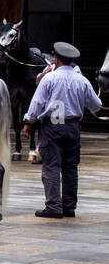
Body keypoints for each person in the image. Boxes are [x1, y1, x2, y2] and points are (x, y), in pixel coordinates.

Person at [22, 41, 102, 219]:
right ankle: (69, 207)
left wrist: (28, 121)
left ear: (56, 59)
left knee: (51, 167)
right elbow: (96, 105)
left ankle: (53, 206)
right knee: (70, 168)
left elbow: (37, 103)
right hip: (73, 127)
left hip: (52, 127)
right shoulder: (82, 80)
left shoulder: (49, 79)